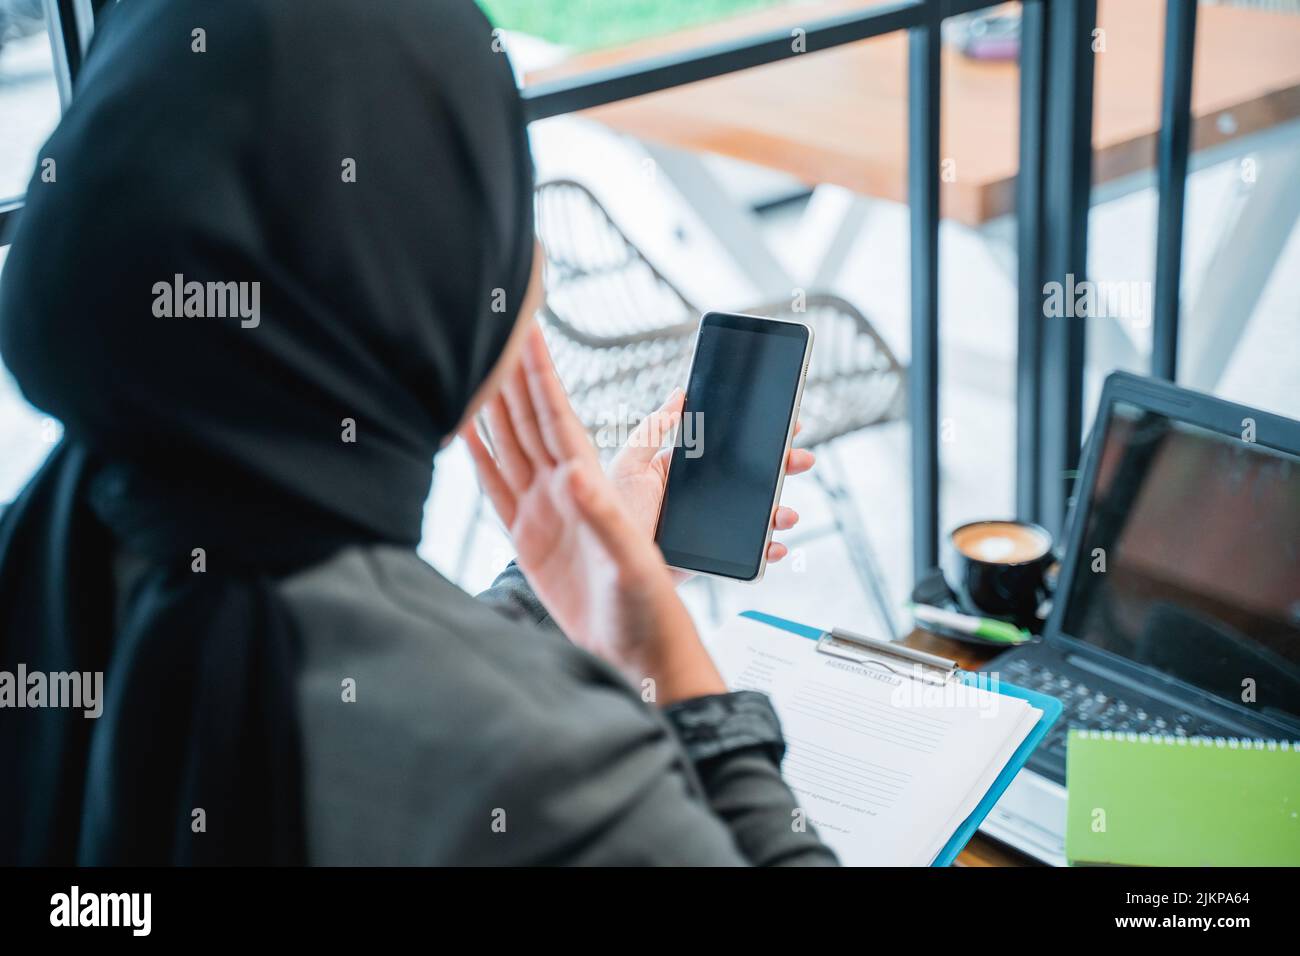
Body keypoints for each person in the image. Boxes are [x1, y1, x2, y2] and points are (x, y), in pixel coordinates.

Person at [0, 0, 837, 865]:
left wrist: (553, 594)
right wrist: (670, 659)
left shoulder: (54, 549)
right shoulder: (549, 784)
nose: (530, 259)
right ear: (416, 276)